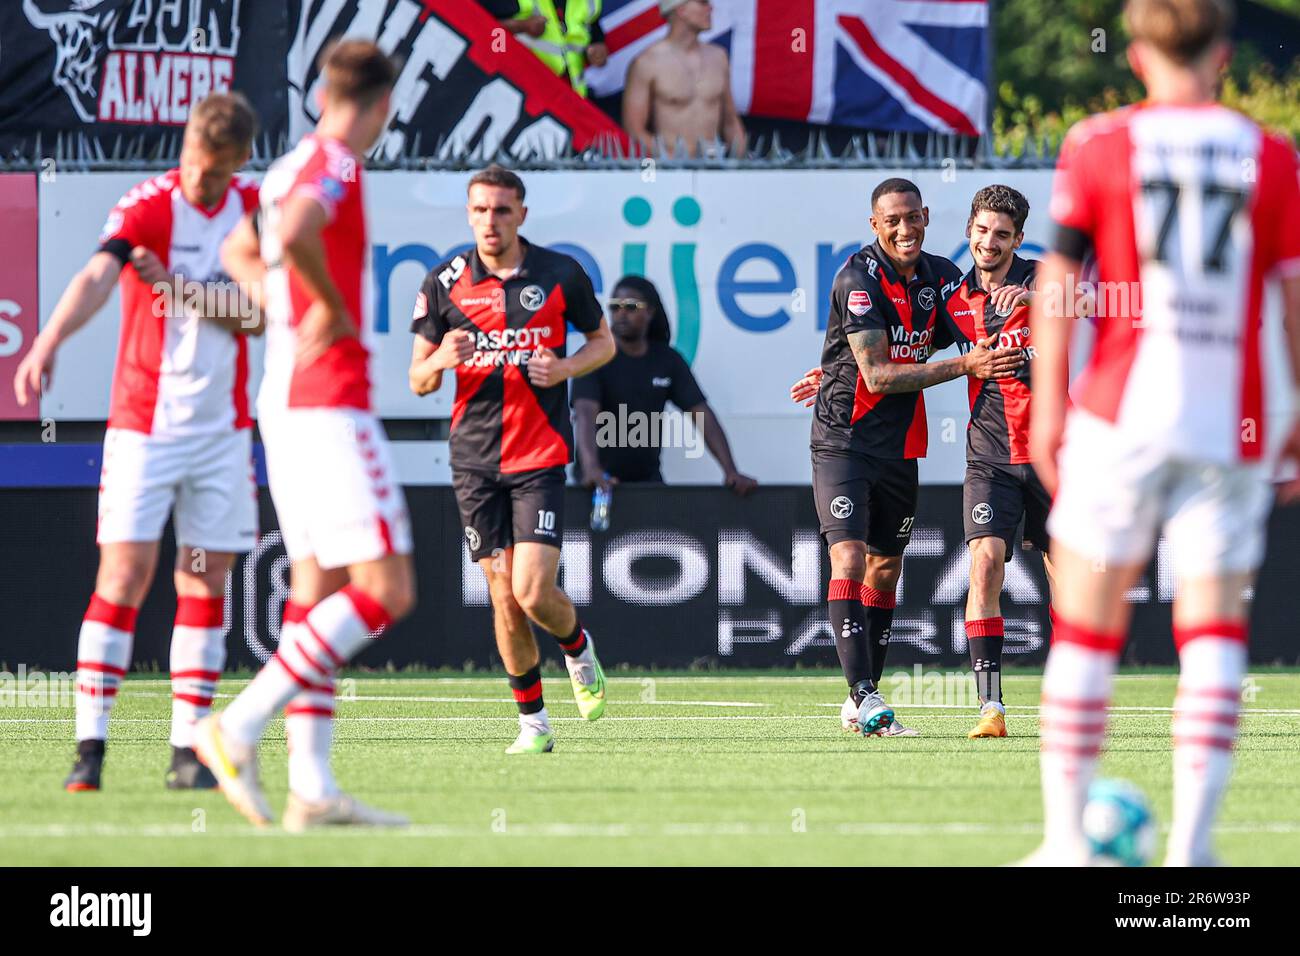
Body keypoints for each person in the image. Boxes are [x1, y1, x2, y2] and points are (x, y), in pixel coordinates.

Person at [1026, 0, 1300, 866]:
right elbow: (1293, 306)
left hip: (1118, 417)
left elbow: (1058, 290)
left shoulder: (1099, 143)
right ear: (1223, 52)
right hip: (1233, 421)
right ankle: (1193, 851)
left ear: (1137, 53)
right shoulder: (1273, 156)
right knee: (1214, 634)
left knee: (1085, 632)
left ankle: (1068, 845)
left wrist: (1049, 408)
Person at [13, 93, 261, 794]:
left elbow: (258, 317)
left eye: (214, 173)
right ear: (184, 146)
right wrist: (51, 338)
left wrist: (182, 289)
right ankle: (89, 752)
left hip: (221, 433)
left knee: (202, 581)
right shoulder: (148, 202)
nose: (199, 180)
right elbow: (98, 271)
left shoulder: (252, 208)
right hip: (144, 428)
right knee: (121, 578)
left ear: (239, 162)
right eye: (192, 163)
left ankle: (189, 751)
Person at [200, 39, 415, 831]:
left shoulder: (288, 160)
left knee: (316, 587)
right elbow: (291, 236)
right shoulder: (334, 163)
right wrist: (324, 303)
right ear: (384, 103)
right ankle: (236, 726)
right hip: (329, 398)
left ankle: (314, 788)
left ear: (323, 87)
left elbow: (240, 248)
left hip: (283, 400)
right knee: (387, 589)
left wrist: (287, 305)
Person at [788, 178, 1024, 739]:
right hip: (843, 437)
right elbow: (876, 374)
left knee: (885, 569)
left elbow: (967, 323)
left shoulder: (942, 277)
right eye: (890, 221)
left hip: (900, 446)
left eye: (911, 218)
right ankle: (864, 695)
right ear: (875, 225)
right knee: (846, 557)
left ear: (925, 216)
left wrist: (1034, 299)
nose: (903, 230)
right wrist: (967, 367)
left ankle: (860, 694)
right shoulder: (858, 279)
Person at [409, 164, 616, 755]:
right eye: (480, 210)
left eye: (502, 210)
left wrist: (566, 367)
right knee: (501, 594)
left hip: (539, 454)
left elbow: (599, 342)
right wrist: (440, 360)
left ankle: (577, 647)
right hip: (473, 460)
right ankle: (534, 725)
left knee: (529, 591)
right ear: (468, 213)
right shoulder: (444, 282)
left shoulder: (559, 274)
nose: (490, 221)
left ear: (522, 213)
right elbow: (417, 379)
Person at [940, 185, 1055, 739]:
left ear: (1019, 240)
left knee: (1072, 586)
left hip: (1058, 455)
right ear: (969, 231)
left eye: (1002, 235)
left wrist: (1036, 302)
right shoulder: (952, 299)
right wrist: (835, 373)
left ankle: (1068, 696)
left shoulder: (1046, 277)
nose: (990, 242)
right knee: (984, 563)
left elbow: (1099, 304)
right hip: (990, 457)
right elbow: (903, 347)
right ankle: (991, 708)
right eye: (983, 231)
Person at [572, 274, 756, 494]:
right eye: (615, 306)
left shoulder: (667, 361)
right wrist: (592, 468)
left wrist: (730, 471)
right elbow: (585, 414)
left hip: (648, 482)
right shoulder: (594, 356)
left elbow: (701, 413)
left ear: (650, 311)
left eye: (631, 306)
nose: (621, 313)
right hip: (598, 483)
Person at [622, 0, 746, 157]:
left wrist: (739, 165)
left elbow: (730, 121)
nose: (710, 8)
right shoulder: (647, 62)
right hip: (668, 171)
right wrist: (670, 158)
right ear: (681, 10)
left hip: (713, 165)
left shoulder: (719, 57)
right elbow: (634, 129)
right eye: (702, 3)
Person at [479, 0, 608, 97]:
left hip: (573, 100)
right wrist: (520, 26)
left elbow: (592, 31)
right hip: (521, 95)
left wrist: (597, 49)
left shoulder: (589, 2)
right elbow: (478, 29)